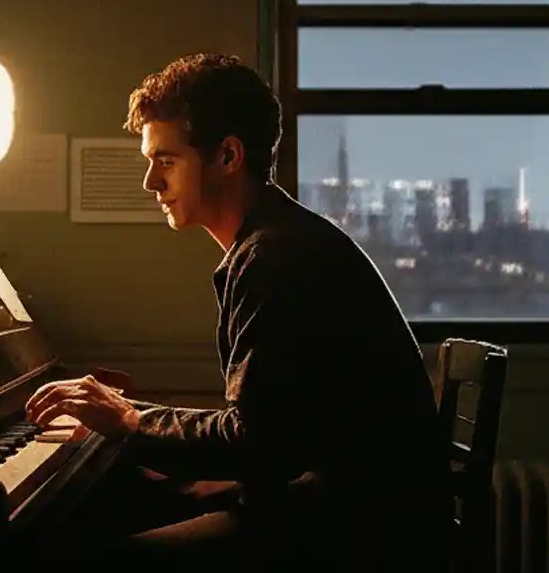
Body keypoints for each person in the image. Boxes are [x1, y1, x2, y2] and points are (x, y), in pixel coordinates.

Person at [25, 53, 451, 567]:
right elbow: (278, 433)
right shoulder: (275, 241)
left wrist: (131, 420)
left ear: (227, 156)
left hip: (359, 529)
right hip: (337, 498)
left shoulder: (274, 257)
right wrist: (147, 439)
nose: (150, 183)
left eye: (166, 160)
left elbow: (256, 441)